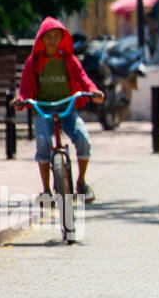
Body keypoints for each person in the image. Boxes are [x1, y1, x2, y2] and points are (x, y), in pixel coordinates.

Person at [15, 17, 105, 201]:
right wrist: (21, 100)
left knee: (83, 139)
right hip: (43, 109)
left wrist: (93, 91)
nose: (52, 40)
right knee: (42, 142)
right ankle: (46, 190)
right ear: (41, 39)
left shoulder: (68, 59)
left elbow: (83, 78)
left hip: (67, 107)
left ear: (62, 39)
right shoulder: (33, 62)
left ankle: (81, 182)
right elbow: (24, 89)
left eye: (57, 36)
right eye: (49, 36)